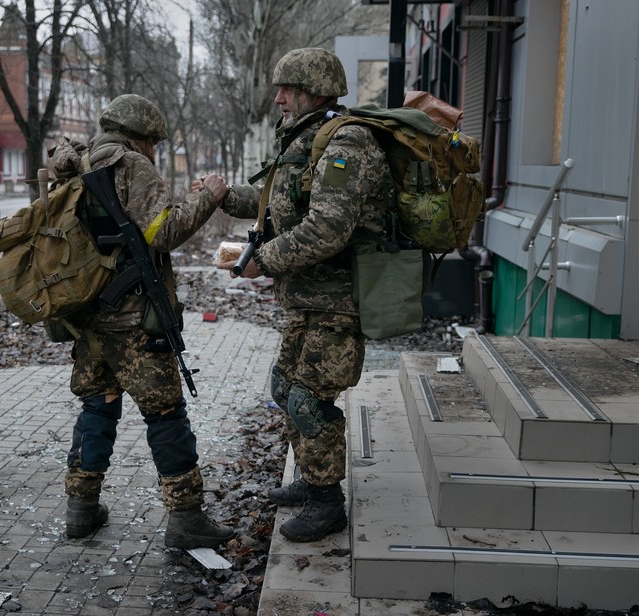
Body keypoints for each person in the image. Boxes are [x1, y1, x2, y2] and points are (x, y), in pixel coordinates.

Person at [219, 48, 392, 542]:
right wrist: (222, 196)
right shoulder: (306, 138)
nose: (278, 99)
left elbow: (328, 228)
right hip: (308, 298)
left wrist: (263, 261)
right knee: (284, 389)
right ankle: (312, 478)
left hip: (340, 300)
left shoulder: (346, 143)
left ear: (315, 91)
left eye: (288, 90)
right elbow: (278, 200)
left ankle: (327, 502)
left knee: (308, 400)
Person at [54, 94, 235, 549]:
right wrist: (207, 197)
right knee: (165, 413)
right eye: (153, 142)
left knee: (97, 408)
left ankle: (80, 509)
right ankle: (186, 518)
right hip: (134, 320)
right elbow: (164, 232)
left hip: (88, 316)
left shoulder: (78, 164)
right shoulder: (131, 165)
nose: (154, 150)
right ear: (140, 136)